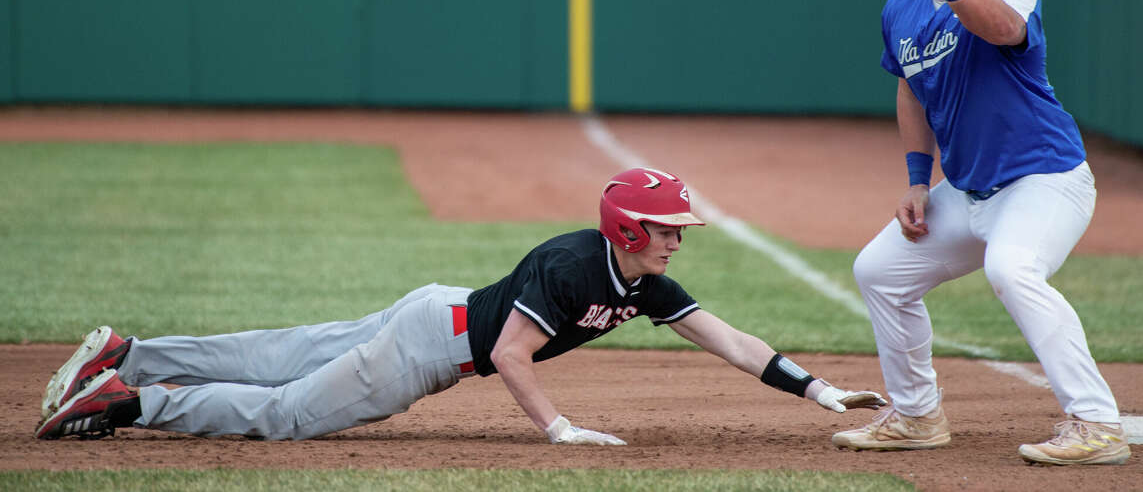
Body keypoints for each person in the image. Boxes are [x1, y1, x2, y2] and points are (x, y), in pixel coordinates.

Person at [36, 166, 886, 443]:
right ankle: (132, 396)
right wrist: (559, 429)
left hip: (433, 312)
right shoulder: (570, 268)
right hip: (426, 348)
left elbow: (731, 340)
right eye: (666, 229)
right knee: (283, 411)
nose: (677, 241)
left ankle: (130, 349)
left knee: (273, 353)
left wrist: (820, 391)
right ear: (628, 228)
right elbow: (512, 355)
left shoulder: (642, 283)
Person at [831, 0, 1129, 466]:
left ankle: (1097, 423)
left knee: (1014, 269)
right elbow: (910, 91)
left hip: (1044, 177)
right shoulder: (902, 4)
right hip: (967, 191)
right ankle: (917, 415)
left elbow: (1002, 29)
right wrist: (918, 179)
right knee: (879, 271)